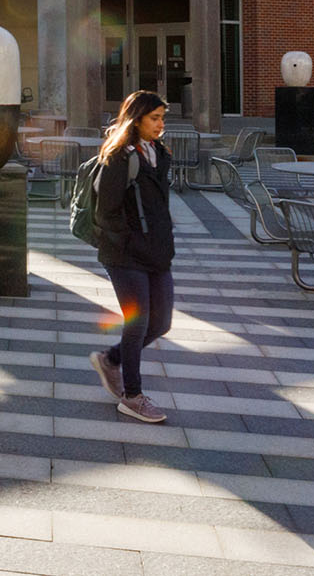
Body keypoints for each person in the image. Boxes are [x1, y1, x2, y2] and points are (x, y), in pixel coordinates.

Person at [88, 89, 176, 423]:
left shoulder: (159, 153)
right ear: (136, 119)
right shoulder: (119, 157)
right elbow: (106, 212)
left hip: (157, 253)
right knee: (137, 322)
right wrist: (129, 241)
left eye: (162, 118)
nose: (160, 124)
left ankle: (111, 360)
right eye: (154, 118)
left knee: (161, 323)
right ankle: (132, 396)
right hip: (125, 255)